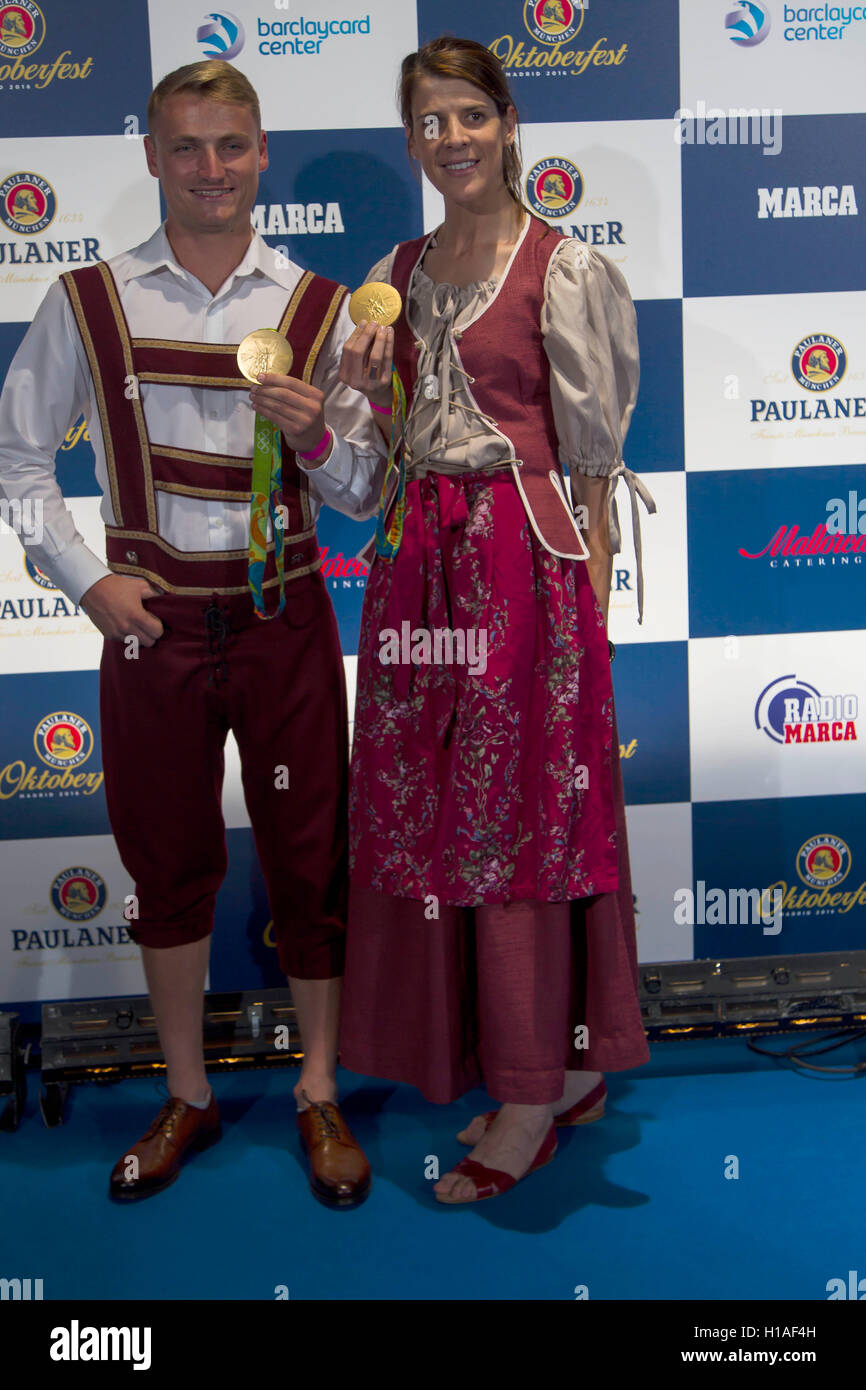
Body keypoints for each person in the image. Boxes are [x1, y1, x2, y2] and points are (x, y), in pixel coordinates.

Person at [0, 60, 387, 1210]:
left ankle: (317, 1086)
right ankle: (190, 1093)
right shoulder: (87, 299)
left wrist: (319, 439)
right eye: (185, 147)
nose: (209, 169)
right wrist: (84, 581)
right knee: (164, 862)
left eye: (230, 146)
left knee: (310, 854)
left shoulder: (319, 309)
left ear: (263, 153)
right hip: (150, 628)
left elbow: (365, 491)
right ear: (153, 157)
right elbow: (20, 459)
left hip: (284, 621)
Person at [313, 37, 655, 1204]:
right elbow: (362, 477)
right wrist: (330, 410)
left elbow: (595, 466)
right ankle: (539, 1063)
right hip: (415, 574)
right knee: (434, 818)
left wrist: (590, 624)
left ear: (507, 121)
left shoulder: (561, 268)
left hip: (525, 574)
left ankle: (529, 1092)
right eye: (428, 122)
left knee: (522, 823)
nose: (449, 138)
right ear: (412, 139)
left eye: (467, 115)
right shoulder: (392, 272)